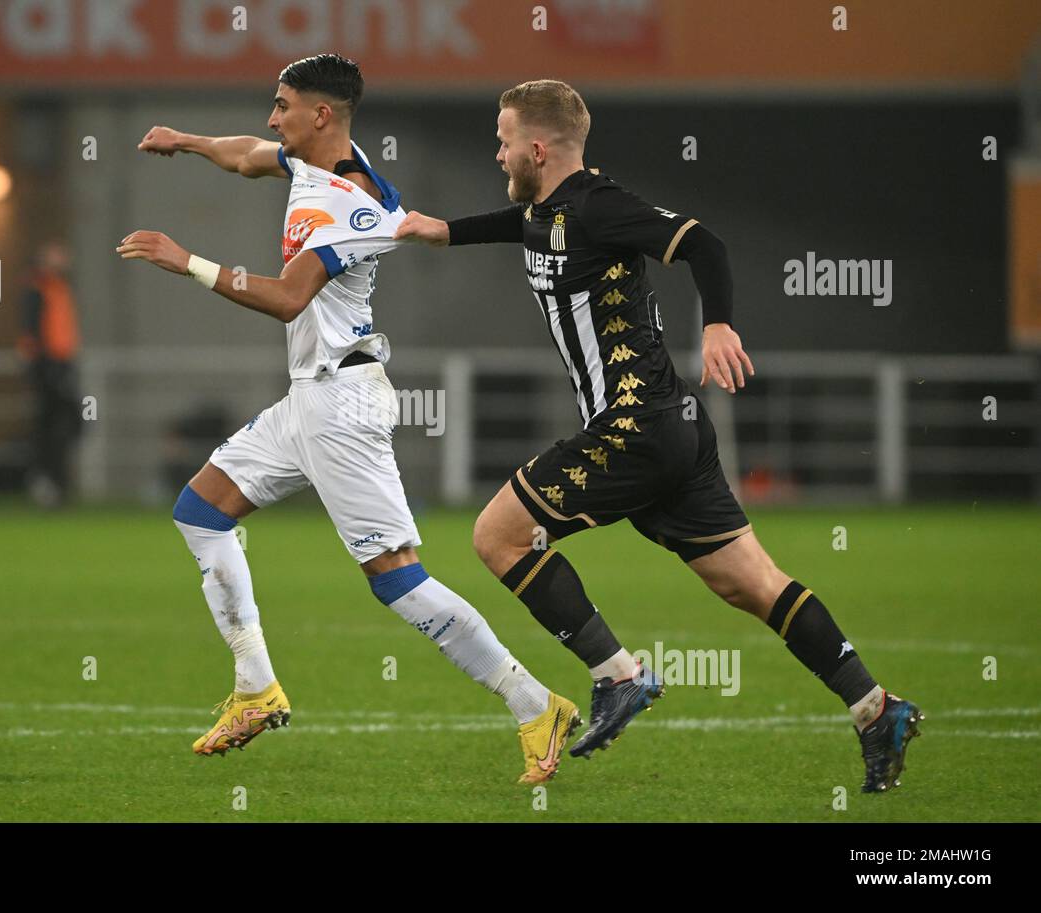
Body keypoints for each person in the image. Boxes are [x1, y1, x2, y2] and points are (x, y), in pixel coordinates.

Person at [393, 80, 923, 793]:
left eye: (504, 138)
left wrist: (718, 323)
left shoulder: (600, 205)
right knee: (753, 585)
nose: (497, 150)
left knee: (497, 536)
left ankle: (618, 674)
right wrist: (446, 231)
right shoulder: (549, 211)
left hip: (633, 428)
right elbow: (524, 225)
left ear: (539, 148)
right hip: (674, 433)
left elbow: (704, 243)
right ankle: (875, 708)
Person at [117, 55, 579, 784]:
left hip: (344, 404)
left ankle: (533, 703)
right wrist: (189, 141)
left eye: (282, 106)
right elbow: (246, 157)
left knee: (397, 577)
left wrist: (188, 262)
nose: (272, 119)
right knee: (201, 510)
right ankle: (256, 687)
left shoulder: (353, 202)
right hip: (308, 398)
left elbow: (287, 298)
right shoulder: (312, 161)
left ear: (320, 114)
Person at [18, 240, 82, 508]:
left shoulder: (59, 287)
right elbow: (31, 332)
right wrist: (40, 365)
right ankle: (45, 480)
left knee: (65, 424)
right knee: (54, 425)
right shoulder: (37, 288)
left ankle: (49, 480)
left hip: (62, 363)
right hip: (48, 365)